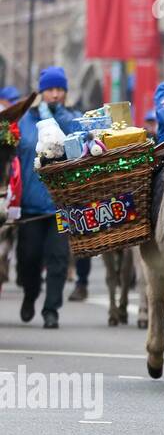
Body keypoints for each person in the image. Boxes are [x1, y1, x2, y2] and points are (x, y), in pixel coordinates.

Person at [15, 67, 80, 329]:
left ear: (65, 93)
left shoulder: (70, 119)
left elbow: (79, 141)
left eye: (59, 90)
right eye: (50, 90)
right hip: (30, 206)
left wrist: (59, 117)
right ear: (41, 92)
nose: (54, 95)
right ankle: (30, 294)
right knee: (28, 257)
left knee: (58, 258)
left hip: (59, 208)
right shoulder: (23, 122)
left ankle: (51, 309)